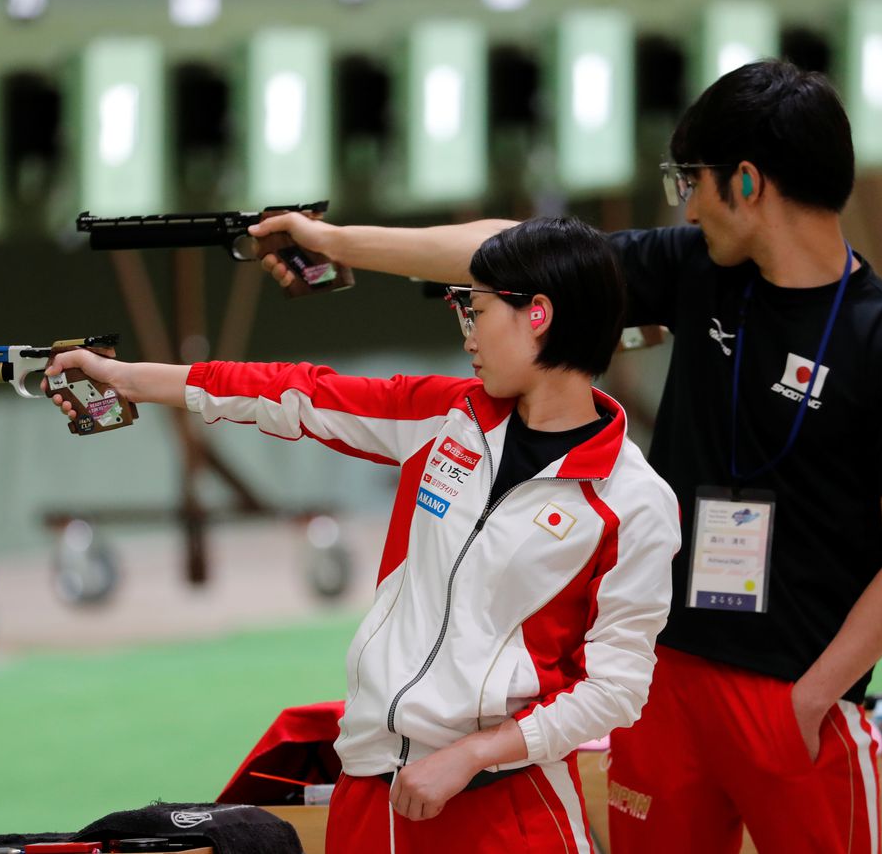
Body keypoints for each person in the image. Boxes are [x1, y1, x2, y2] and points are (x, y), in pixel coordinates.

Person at [248, 59, 882, 853]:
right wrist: (336, 240)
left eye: (694, 180)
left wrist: (815, 695)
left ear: (748, 183)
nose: (687, 203)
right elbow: (516, 253)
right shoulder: (701, 270)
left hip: (795, 692)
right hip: (666, 679)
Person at [48, 218, 681, 853]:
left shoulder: (636, 502)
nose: (466, 329)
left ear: (536, 314)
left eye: (475, 307)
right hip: (368, 794)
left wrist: (473, 755)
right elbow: (294, 392)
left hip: (508, 808)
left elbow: (615, 690)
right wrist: (131, 380)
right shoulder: (446, 414)